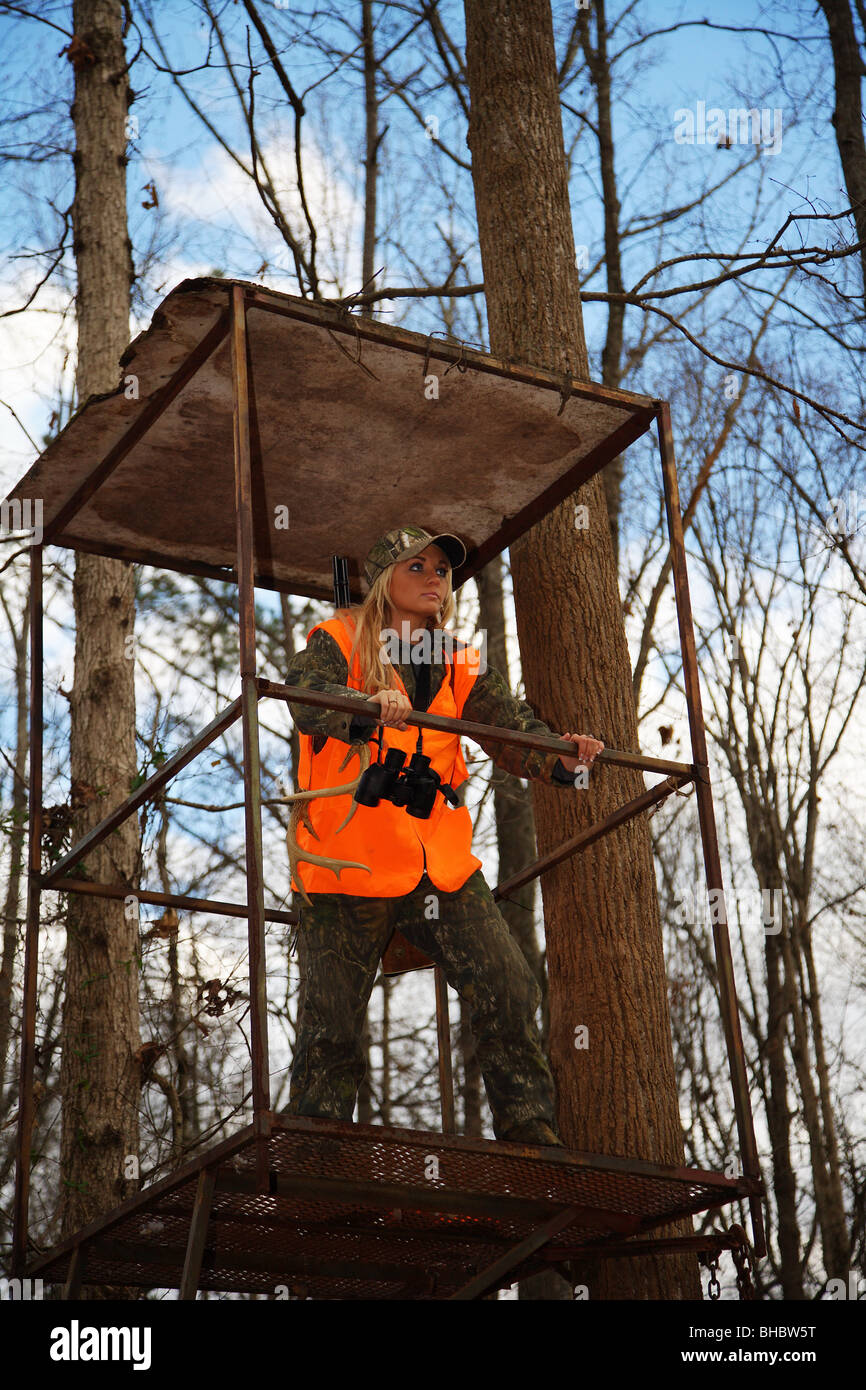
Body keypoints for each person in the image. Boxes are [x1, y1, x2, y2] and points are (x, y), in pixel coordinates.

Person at [283, 525, 604, 1146]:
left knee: (509, 989)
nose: (436, 578)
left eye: (442, 570)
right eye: (418, 566)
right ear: (384, 581)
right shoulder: (336, 639)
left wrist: (565, 758)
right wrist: (363, 704)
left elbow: (509, 728)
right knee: (332, 1027)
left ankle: (531, 1137)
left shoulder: (457, 659)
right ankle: (314, 1156)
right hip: (346, 866)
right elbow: (304, 698)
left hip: (442, 865)